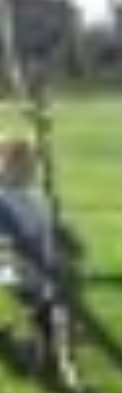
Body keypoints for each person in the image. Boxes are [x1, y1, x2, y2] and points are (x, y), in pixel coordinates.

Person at [0, 136, 67, 373]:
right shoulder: (2, 197)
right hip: (17, 266)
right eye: (21, 166)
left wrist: (64, 239)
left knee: (46, 312)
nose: (29, 171)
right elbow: (8, 235)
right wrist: (15, 248)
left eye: (31, 166)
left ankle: (41, 355)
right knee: (41, 312)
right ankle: (42, 358)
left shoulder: (33, 194)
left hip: (42, 263)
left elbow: (47, 224)